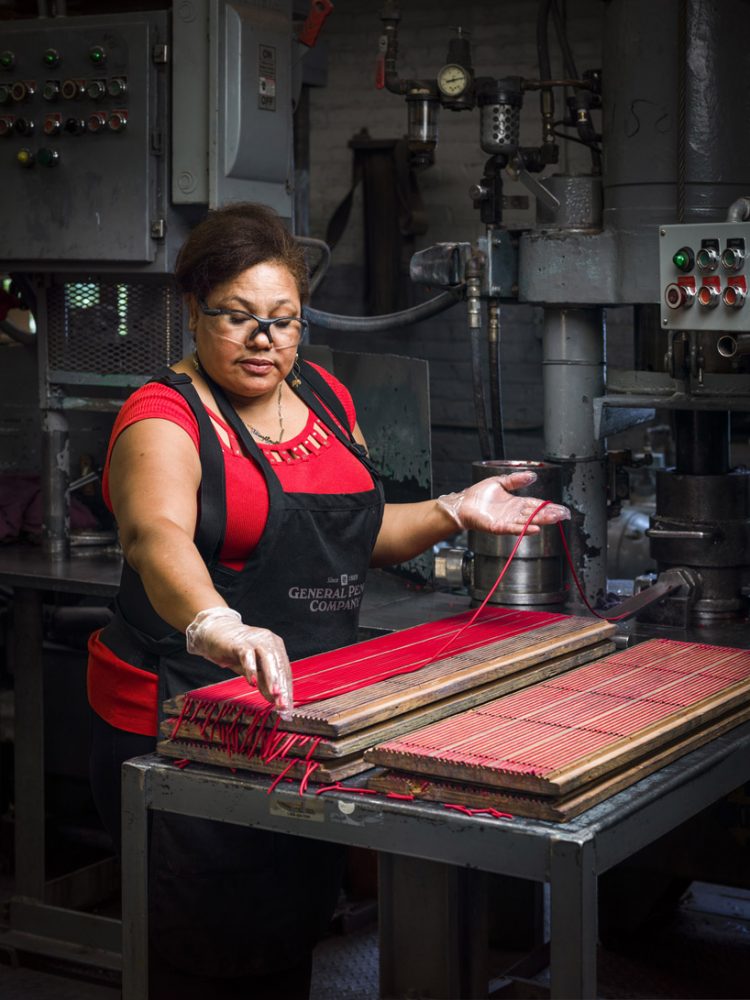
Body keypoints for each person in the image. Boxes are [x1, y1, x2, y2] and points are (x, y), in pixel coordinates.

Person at [87, 202, 570, 999]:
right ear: (193, 310)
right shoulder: (165, 416)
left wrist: (455, 510)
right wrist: (216, 621)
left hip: (300, 717)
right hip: (182, 721)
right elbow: (155, 536)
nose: (264, 340)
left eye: (283, 321)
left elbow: (362, 531)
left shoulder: (324, 397)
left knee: (283, 936)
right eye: (237, 317)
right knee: (203, 950)